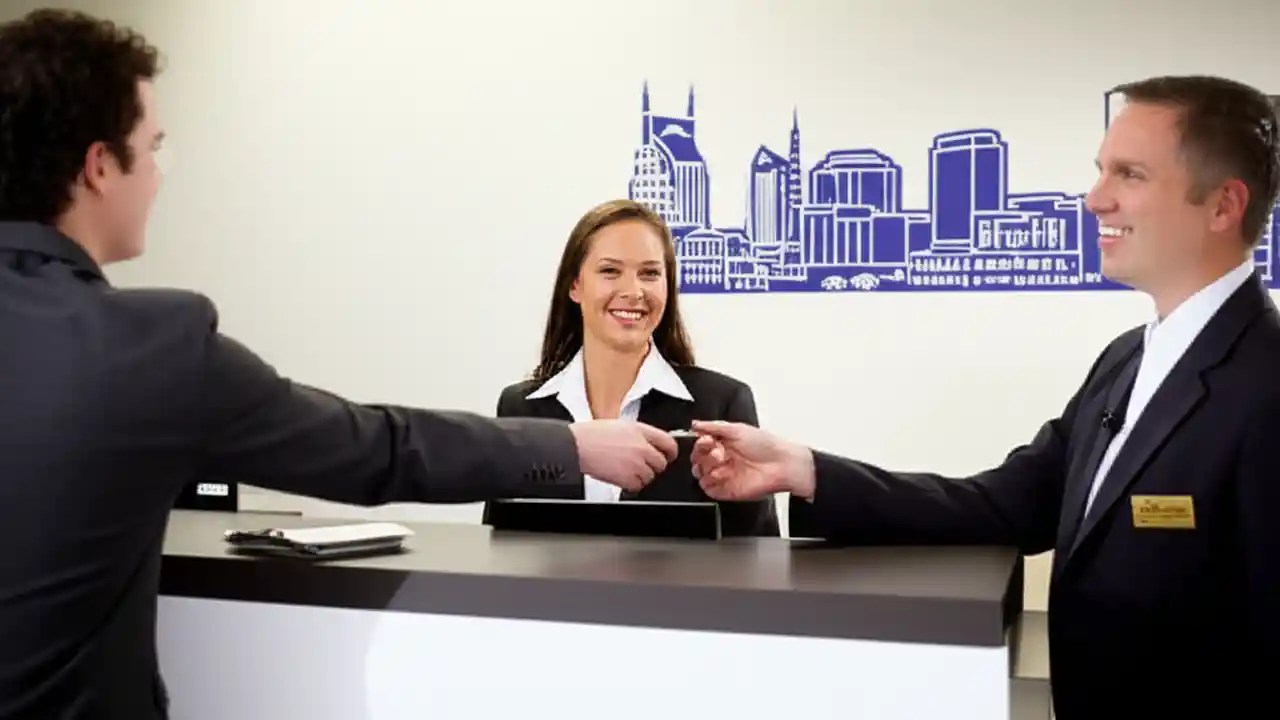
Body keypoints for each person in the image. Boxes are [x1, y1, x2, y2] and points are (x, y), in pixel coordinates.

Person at [0, 9, 678, 719]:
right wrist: (571, 447)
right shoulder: (154, 346)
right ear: (100, 167)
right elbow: (376, 448)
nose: (158, 177)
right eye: (153, 149)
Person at [688, 75, 1279, 719]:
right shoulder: (1126, 361)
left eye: (1130, 174)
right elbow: (1005, 505)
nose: (1095, 199)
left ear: (1223, 205)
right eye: (1101, 171)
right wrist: (803, 470)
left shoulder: (1265, 384)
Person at [488, 199, 779, 536]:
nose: (633, 291)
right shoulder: (521, 409)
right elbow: (500, 546)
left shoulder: (721, 405)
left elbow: (759, 553)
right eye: (610, 271)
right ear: (575, 285)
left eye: (650, 273)